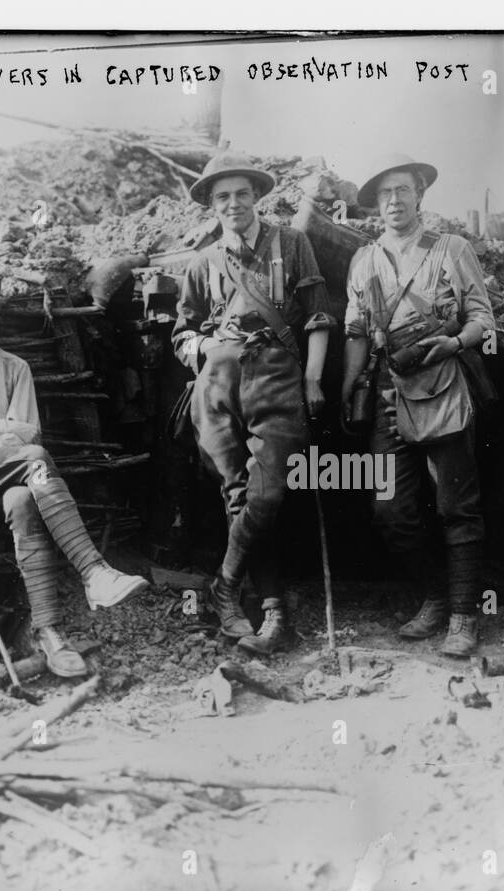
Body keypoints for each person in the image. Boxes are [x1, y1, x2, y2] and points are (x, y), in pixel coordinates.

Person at [0, 264, 150, 678]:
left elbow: (27, 430)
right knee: (34, 458)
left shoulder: (16, 368)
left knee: (24, 497)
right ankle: (94, 571)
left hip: (8, 479)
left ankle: (48, 632)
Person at [172, 152, 334, 655]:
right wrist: (206, 350)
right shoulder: (202, 261)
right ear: (212, 205)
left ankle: (224, 586)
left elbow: (318, 317)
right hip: (217, 384)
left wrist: (311, 377)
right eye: (222, 197)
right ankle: (273, 611)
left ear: (257, 197)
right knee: (237, 495)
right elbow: (182, 332)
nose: (233, 204)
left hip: (277, 376)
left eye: (242, 193)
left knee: (267, 494)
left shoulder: (292, 243)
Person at [341, 153, 495, 656]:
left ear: (420, 195)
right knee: (390, 510)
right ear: (375, 204)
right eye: (384, 194)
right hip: (390, 391)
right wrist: (347, 388)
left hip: (444, 383)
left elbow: (481, 318)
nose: (393, 201)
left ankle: (465, 616)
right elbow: (357, 332)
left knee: (457, 505)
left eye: (402, 190)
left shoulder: (451, 248)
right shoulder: (364, 260)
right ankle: (434, 596)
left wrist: (456, 343)